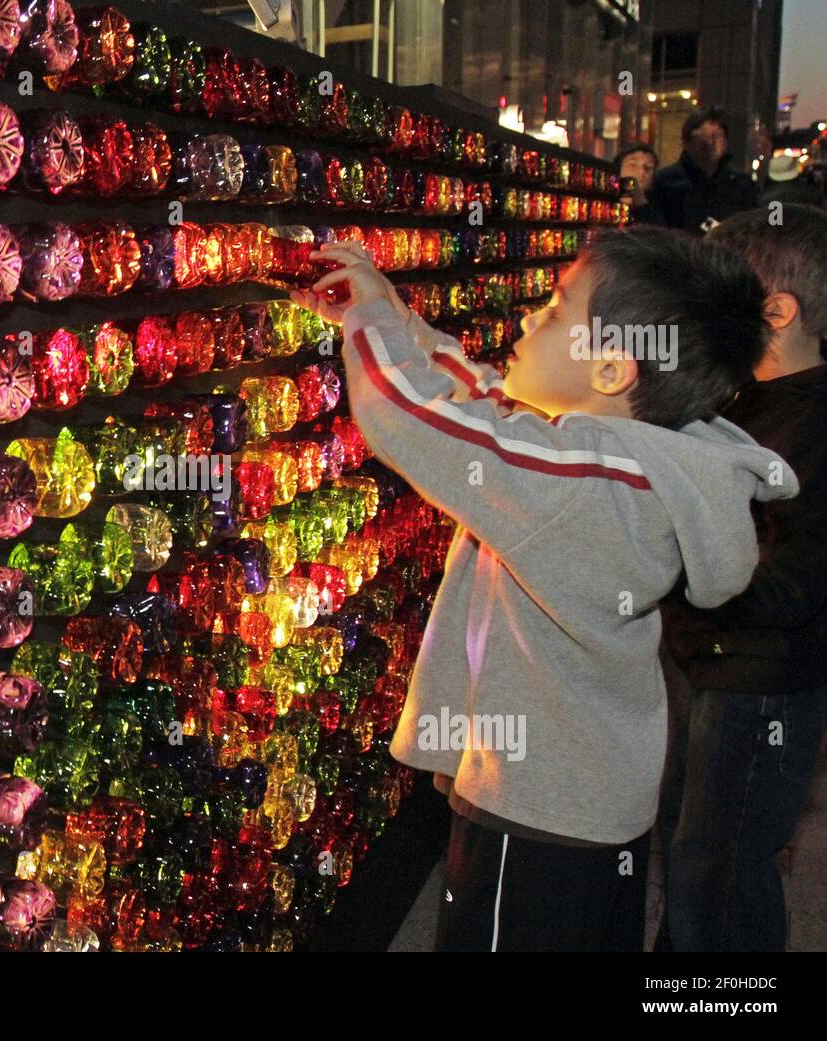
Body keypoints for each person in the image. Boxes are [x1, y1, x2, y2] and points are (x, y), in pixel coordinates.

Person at [290, 229, 796, 951]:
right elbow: (489, 403)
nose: (531, 318)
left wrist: (367, 322)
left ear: (614, 370)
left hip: (535, 816)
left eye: (558, 311)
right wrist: (392, 312)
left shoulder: (584, 487)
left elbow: (425, 424)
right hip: (590, 806)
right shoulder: (630, 458)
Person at [656, 204, 827, 952]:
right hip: (711, 667)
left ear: (776, 310)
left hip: (758, 687)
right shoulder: (743, 398)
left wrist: (685, 565)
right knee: (693, 864)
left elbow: (795, 581)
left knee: (720, 880)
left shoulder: (811, 423)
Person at [652, 108, 759, 233]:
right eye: (705, 137)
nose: (712, 143)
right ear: (687, 142)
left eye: (718, 136)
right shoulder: (666, 181)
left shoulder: (740, 183)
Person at [614, 143, 665, 225]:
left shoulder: (660, 207)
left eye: (648, 167)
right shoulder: (602, 199)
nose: (642, 172)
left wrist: (640, 201)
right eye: (633, 165)